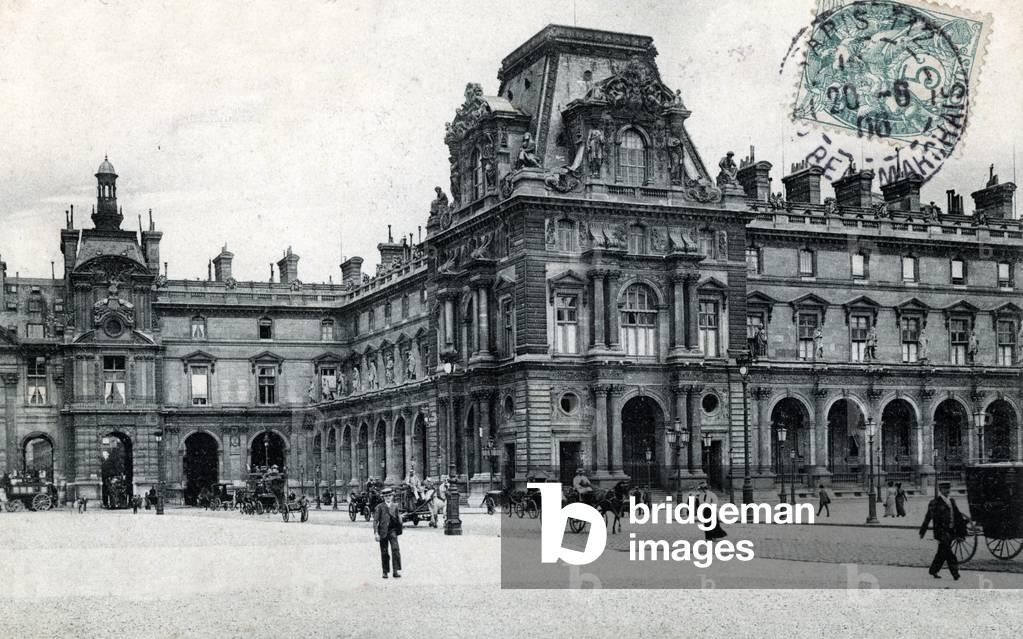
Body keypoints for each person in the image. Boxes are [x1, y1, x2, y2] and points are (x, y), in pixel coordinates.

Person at [919, 482, 965, 580]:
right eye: (945, 489)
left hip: (951, 531)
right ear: (940, 490)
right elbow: (928, 517)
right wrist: (922, 531)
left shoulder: (952, 501)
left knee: (941, 553)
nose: (947, 490)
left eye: (948, 488)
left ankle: (933, 571)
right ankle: (955, 573)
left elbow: (958, 516)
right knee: (949, 553)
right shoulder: (934, 502)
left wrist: (961, 532)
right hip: (942, 532)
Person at [373, 487, 403, 579]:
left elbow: (398, 518)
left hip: (392, 531)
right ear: (383, 497)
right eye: (386, 496)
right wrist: (376, 533)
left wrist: (399, 528)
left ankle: (395, 571)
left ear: (392, 496)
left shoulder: (395, 506)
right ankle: (385, 572)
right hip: (383, 532)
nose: (388, 497)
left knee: (395, 550)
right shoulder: (379, 507)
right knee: (384, 552)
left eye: (389, 496)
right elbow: (375, 521)